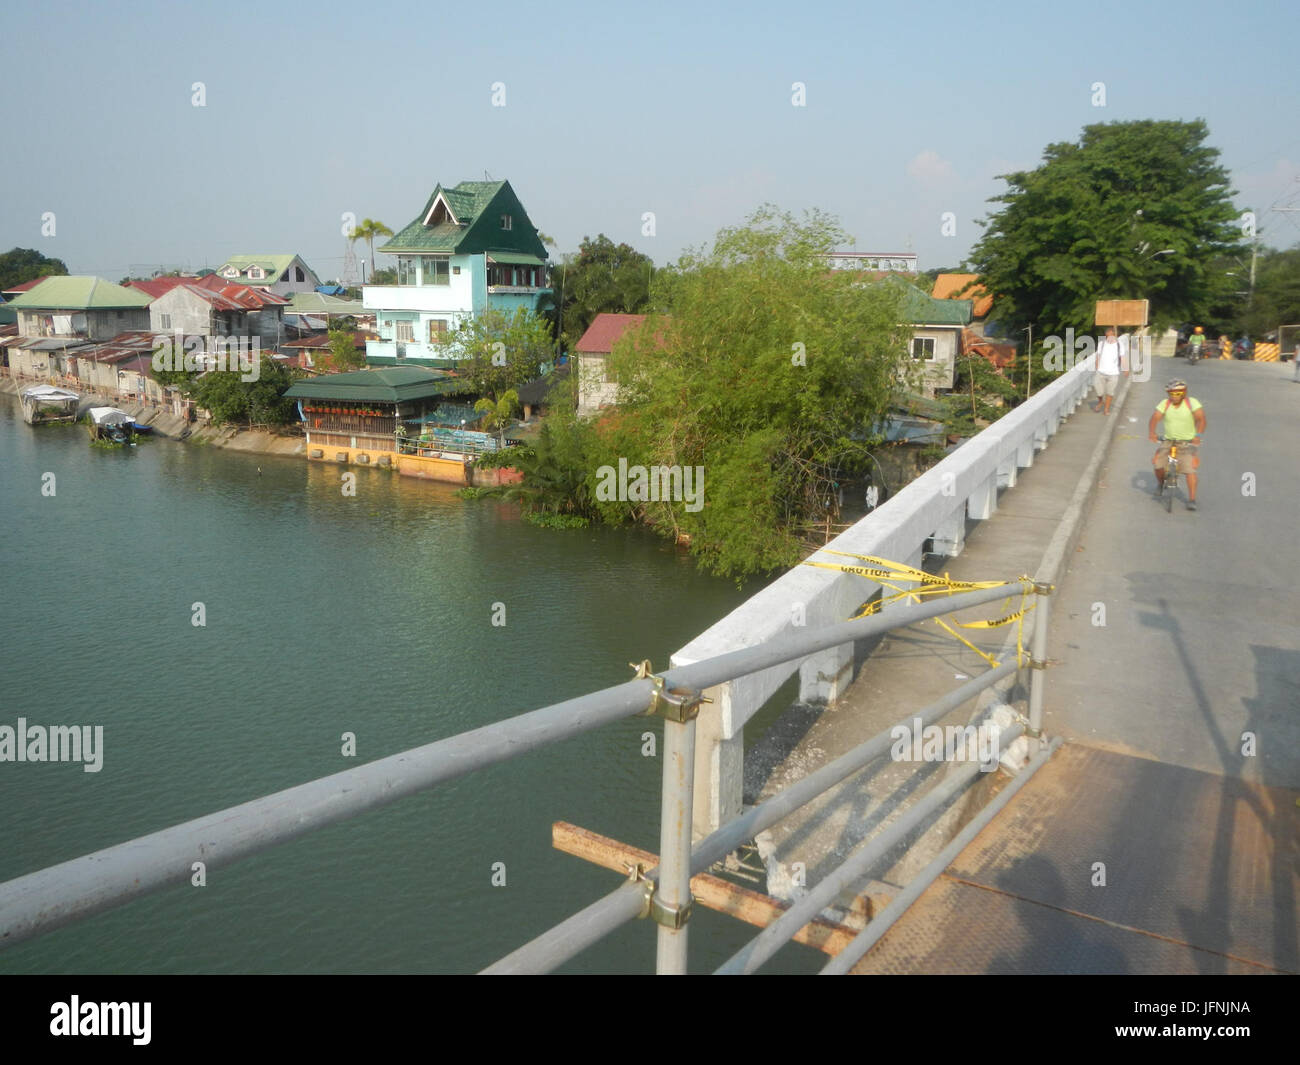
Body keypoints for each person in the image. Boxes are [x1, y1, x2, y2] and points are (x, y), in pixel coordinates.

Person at [1148, 378, 1206, 510]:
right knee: (1158, 464)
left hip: (1187, 442)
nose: (1174, 396)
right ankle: (1160, 483)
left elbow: (1201, 420)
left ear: (1184, 393)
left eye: (1177, 393)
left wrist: (1198, 436)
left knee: (1190, 469)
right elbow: (1155, 417)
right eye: (1171, 394)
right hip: (1168, 440)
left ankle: (1192, 499)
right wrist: (1152, 432)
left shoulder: (1192, 403)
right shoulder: (1165, 404)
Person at [1092, 327, 1128, 414]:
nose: (1110, 337)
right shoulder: (1102, 344)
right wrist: (1096, 365)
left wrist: (1125, 369)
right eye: (1108, 335)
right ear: (1106, 335)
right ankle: (1101, 401)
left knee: (1110, 392)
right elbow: (1098, 355)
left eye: (1111, 335)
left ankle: (1106, 409)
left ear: (1115, 335)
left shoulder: (1119, 345)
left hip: (1113, 373)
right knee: (1099, 392)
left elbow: (1122, 357)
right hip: (1101, 372)